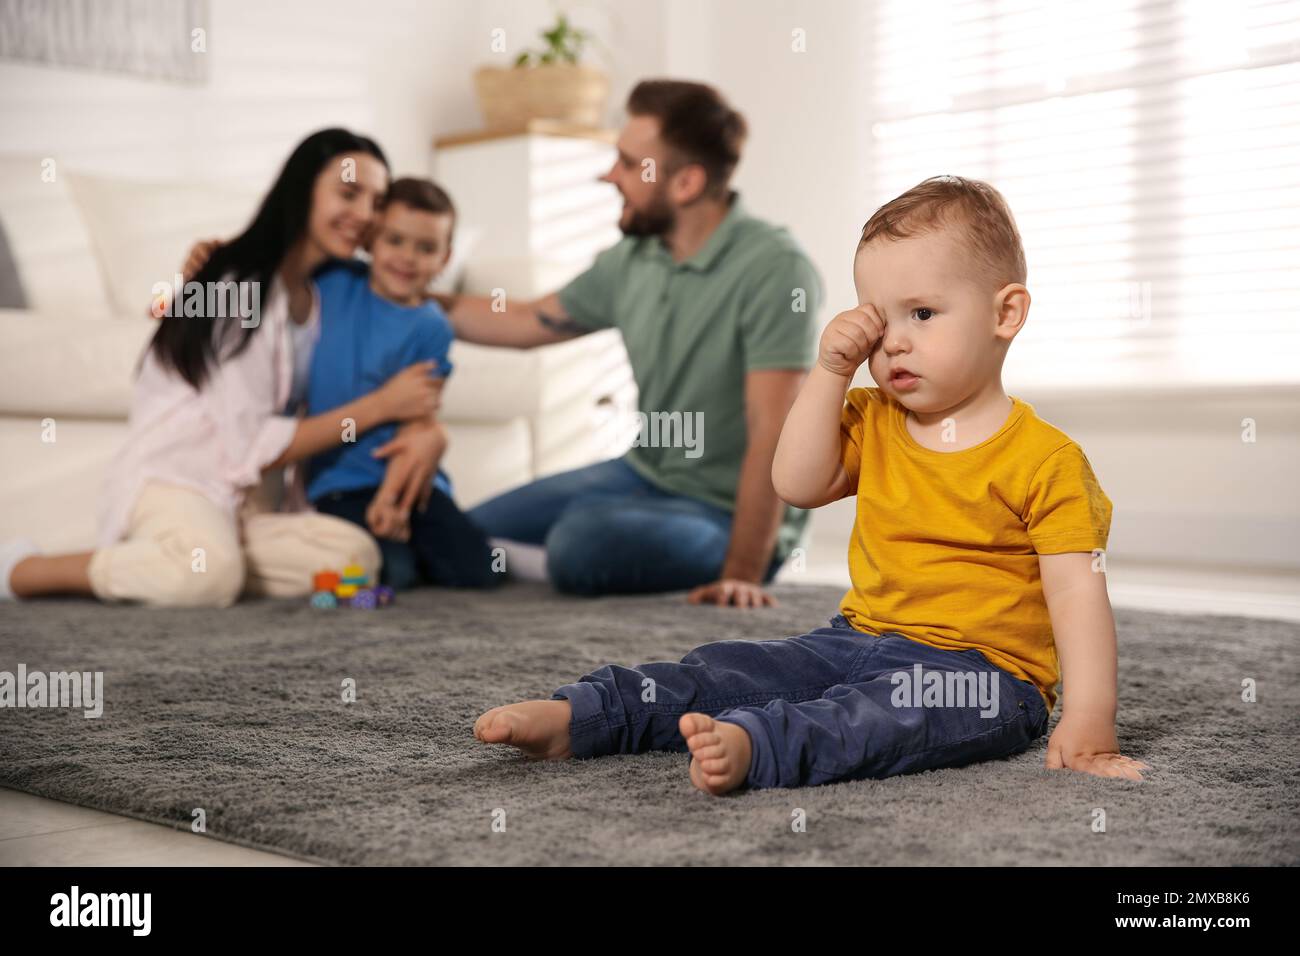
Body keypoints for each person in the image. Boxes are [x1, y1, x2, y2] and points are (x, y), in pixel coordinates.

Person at [472, 175, 1150, 792]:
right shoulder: (874, 418)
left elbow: (1077, 595)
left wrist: (1089, 718)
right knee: (731, 667)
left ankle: (759, 747)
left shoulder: (1047, 460)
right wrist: (829, 372)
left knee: (885, 719)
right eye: (877, 320)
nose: (892, 344)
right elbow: (796, 481)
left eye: (922, 314)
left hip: (982, 675)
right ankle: (588, 714)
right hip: (853, 638)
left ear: (1006, 314)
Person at [0, 129, 444, 606]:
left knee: (354, 557)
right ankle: (26, 569)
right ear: (302, 189)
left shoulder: (320, 296)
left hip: (248, 499)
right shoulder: (236, 283)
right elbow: (251, 441)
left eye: (376, 202)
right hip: (183, 477)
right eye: (349, 193)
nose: (364, 216)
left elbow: (425, 301)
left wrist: (429, 427)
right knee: (208, 574)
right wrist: (381, 406)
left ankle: (178, 556)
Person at [445, 79, 823, 606]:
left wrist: (742, 573)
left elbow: (773, 434)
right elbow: (528, 320)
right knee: (461, 532)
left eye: (626, 164)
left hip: (721, 509)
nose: (609, 175)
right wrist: (415, 300)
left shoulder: (776, 269)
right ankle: (560, 547)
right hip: (640, 473)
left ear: (686, 182)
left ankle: (565, 548)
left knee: (583, 543)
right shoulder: (634, 260)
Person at [307, 177, 500, 590]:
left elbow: (417, 421)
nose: (407, 258)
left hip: (409, 480)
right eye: (396, 240)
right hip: (340, 484)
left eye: (425, 248)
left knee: (480, 572)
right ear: (371, 238)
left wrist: (390, 500)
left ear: (444, 258)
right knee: (395, 572)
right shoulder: (333, 282)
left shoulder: (432, 327)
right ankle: (408, 556)